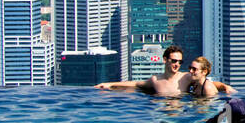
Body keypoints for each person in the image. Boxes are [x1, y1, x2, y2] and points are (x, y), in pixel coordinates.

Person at [96, 45, 235, 96]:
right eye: (174, 61)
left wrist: (225, 86)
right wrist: (109, 85)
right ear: (165, 60)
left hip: (182, 114)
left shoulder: (185, 77)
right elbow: (135, 84)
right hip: (161, 113)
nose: (177, 64)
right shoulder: (156, 80)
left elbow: (207, 82)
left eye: (180, 62)